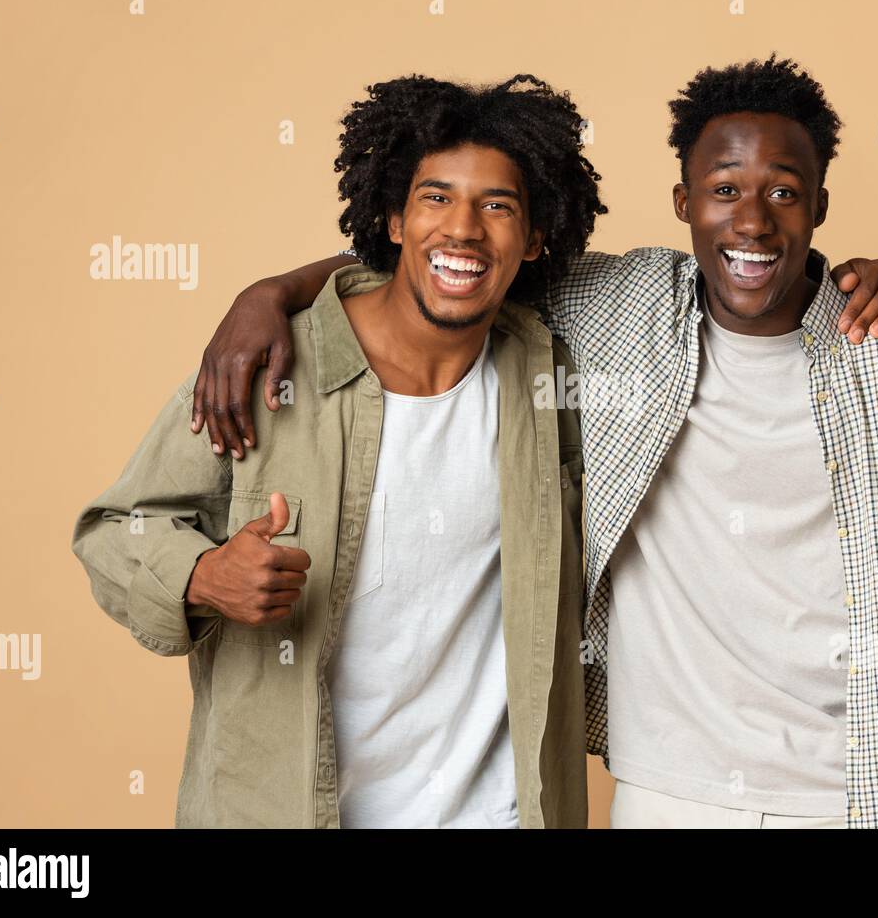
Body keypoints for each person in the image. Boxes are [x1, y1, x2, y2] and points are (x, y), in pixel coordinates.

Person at [191, 56, 878, 829]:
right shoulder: (614, 306)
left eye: (785, 194)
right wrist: (273, 291)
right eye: (725, 189)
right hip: (665, 794)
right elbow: (454, 252)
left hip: (859, 789)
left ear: (821, 206)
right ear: (684, 202)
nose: (754, 221)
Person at [71, 74, 603, 828]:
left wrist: (830, 282)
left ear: (537, 236)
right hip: (283, 809)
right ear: (392, 218)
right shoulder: (265, 366)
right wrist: (201, 574)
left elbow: (725, 287)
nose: (463, 229)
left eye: (498, 206)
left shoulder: (550, 378)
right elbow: (112, 528)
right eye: (436, 198)